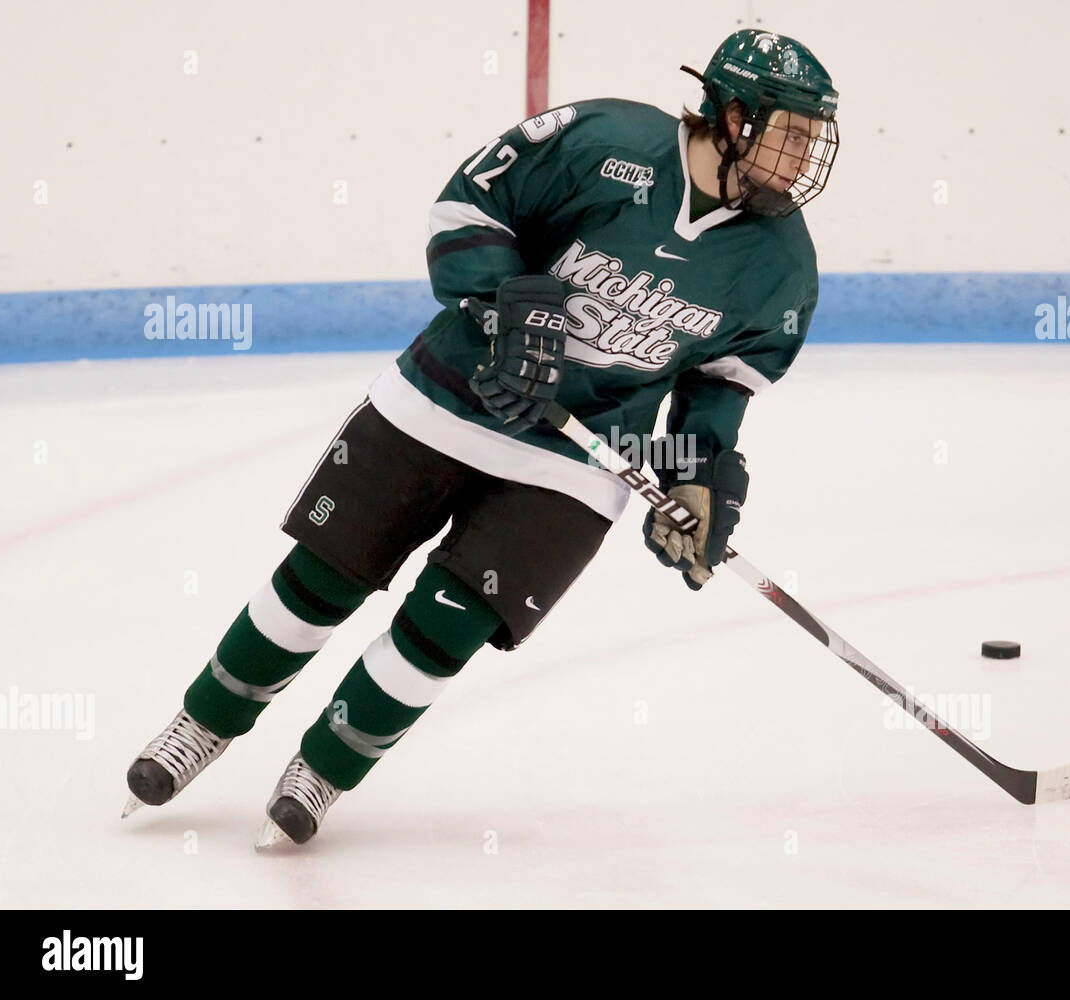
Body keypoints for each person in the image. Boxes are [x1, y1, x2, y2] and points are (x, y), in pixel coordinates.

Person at [122, 28, 840, 847]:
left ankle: (323, 768)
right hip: (448, 394)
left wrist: (699, 474)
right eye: (790, 134)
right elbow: (466, 207)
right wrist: (511, 304)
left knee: (449, 623)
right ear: (731, 114)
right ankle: (205, 722)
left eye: (813, 141)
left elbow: (718, 386)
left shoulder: (784, 267)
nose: (801, 160)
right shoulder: (607, 144)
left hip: (582, 455)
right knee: (323, 577)